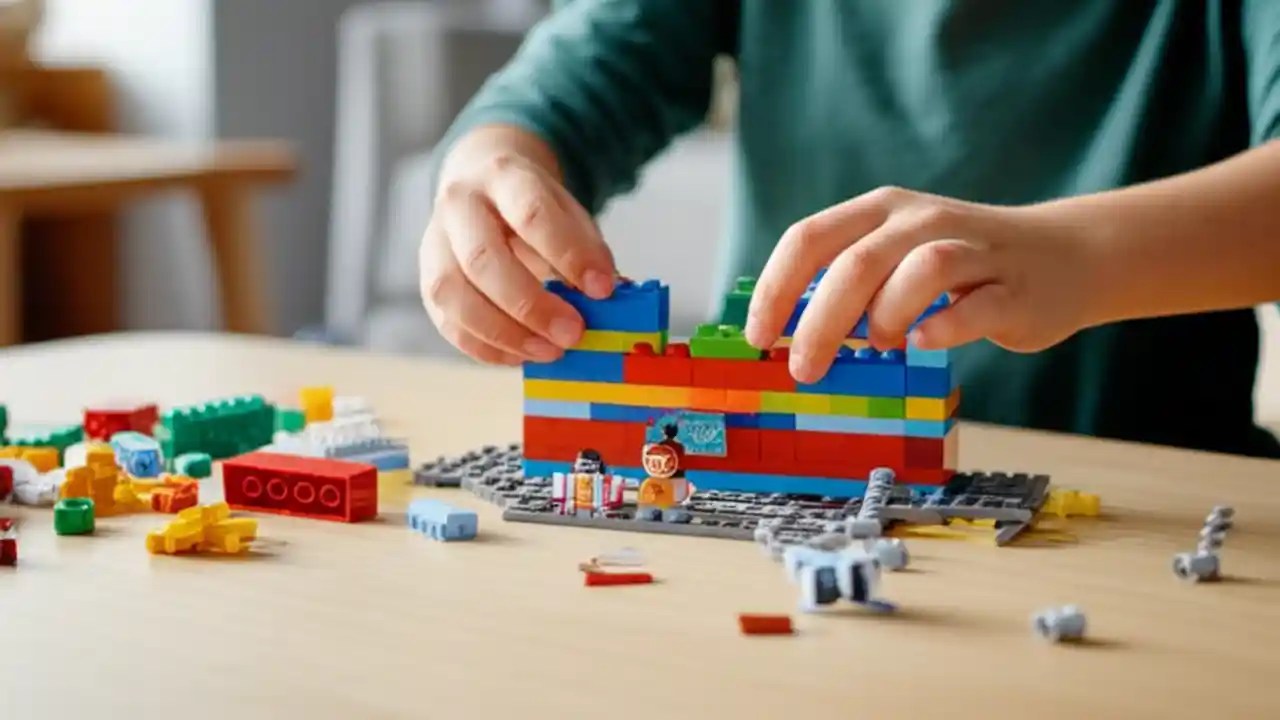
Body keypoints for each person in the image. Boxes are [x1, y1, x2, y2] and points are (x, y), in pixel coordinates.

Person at [418, 1, 1280, 458]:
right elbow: (581, 71)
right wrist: (487, 166)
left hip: (1150, 482)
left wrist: (1076, 255)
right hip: (767, 469)